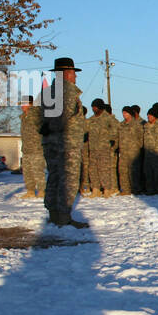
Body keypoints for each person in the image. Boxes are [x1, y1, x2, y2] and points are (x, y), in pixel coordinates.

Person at [39, 56, 87, 227]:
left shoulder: (48, 92)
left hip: (50, 143)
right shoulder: (67, 91)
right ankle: (63, 217)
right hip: (66, 144)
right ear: (67, 74)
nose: (75, 77)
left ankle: (53, 213)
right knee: (68, 179)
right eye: (74, 73)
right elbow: (63, 117)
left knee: (54, 177)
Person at [86, 98, 118, 197]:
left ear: (99, 107)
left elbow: (116, 129)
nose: (93, 109)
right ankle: (95, 189)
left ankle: (107, 189)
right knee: (93, 169)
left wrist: (109, 138)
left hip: (104, 148)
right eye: (92, 107)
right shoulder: (91, 119)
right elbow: (84, 129)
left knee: (104, 169)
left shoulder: (108, 118)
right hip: (93, 148)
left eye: (95, 107)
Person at [19, 95, 45, 198]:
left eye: (24, 104)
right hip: (26, 149)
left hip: (36, 148)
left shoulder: (36, 114)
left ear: (30, 104)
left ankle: (42, 191)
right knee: (27, 172)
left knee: (38, 171)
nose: (22, 106)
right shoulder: (23, 117)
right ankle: (30, 190)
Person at [117, 105, 145, 195]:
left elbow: (141, 138)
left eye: (126, 113)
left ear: (130, 114)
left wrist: (137, 147)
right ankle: (125, 189)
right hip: (123, 151)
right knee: (123, 170)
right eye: (123, 113)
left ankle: (136, 189)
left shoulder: (137, 124)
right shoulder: (121, 125)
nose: (124, 114)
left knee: (134, 171)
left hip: (133, 151)